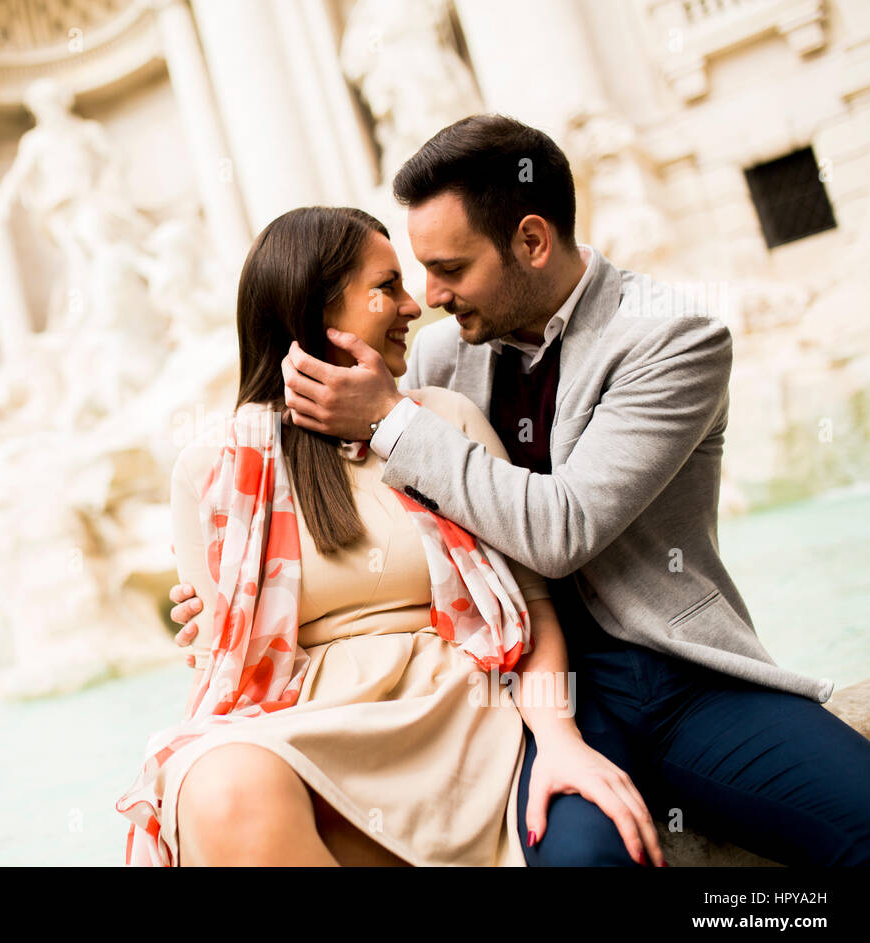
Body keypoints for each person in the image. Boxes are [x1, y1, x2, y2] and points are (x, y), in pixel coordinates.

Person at [170, 114, 870, 866]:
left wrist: (387, 418)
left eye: (449, 268)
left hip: (670, 677)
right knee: (581, 862)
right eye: (415, 274)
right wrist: (237, 588)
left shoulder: (672, 341)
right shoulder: (440, 356)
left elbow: (561, 529)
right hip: (515, 689)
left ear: (532, 242)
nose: (430, 297)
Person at [121, 205, 666, 867]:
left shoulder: (442, 420)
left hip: (465, 720)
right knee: (222, 785)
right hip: (309, 730)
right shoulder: (214, 469)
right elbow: (223, 665)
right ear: (315, 309)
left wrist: (558, 739)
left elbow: (532, 608)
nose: (413, 306)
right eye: (388, 287)